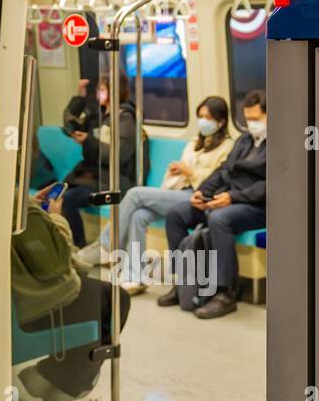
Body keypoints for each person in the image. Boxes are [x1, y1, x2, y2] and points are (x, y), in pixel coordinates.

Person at [77, 95, 234, 293]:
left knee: (134, 194)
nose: (203, 121)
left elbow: (217, 179)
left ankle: (106, 244)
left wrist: (190, 172)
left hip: (197, 196)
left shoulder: (227, 147)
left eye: (207, 117)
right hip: (178, 191)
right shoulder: (195, 143)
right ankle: (135, 276)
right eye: (200, 116)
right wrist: (177, 171)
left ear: (220, 121)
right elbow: (182, 172)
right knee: (138, 216)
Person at [13, 181, 131, 401]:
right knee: (116, 300)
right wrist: (56, 218)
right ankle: (69, 387)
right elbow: (54, 265)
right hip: (36, 305)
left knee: (104, 293)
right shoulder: (21, 207)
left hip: (16, 294)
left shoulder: (5, 198)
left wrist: (32, 204)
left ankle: (50, 376)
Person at [159, 89, 267, 319]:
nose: (251, 124)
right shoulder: (244, 140)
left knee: (220, 219)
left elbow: (270, 184)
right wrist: (202, 193)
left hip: (259, 205)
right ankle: (184, 281)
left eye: (256, 119)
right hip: (227, 197)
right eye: (248, 119)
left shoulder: (282, 145)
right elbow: (223, 171)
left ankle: (225, 291)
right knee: (176, 213)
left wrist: (232, 198)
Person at [58, 72, 144, 246]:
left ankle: (79, 245)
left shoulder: (125, 118)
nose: (99, 93)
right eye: (98, 89)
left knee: (68, 199)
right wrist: (79, 99)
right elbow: (69, 124)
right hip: (96, 175)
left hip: (114, 179)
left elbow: (118, 155)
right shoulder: (100, 115)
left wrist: (88, 141)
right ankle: (72, 245)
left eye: (103, 89)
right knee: (59, 194)